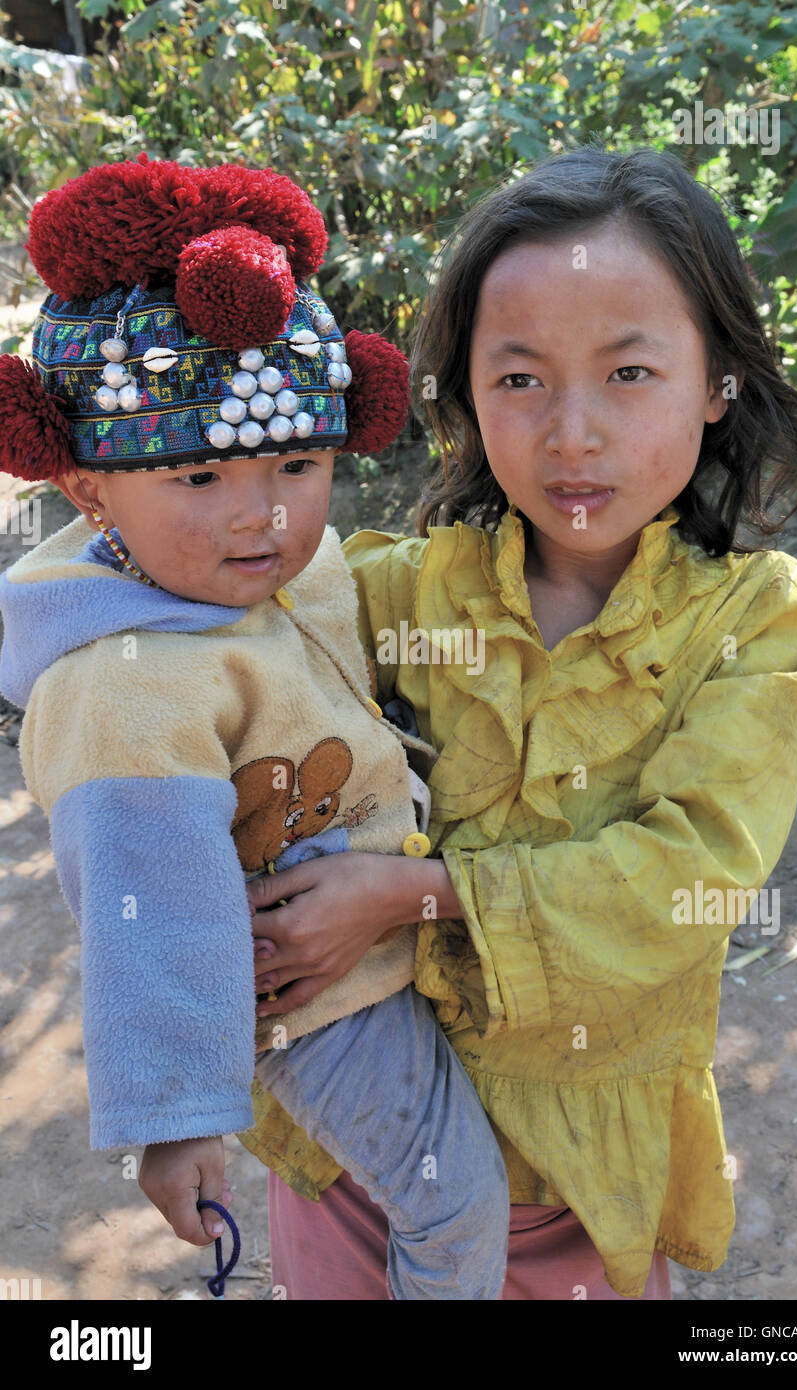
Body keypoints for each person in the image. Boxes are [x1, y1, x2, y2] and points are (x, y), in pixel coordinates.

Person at [246, 145, 797, 1300]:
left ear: (715, 381)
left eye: (628, 374)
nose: (572, 432)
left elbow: (690, 873)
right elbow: (220, 619)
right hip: (356, 1156)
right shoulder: (388, 593)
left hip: (582, 1181)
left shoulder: (763, 623)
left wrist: (413, 897)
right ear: (465, 394)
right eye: (518, 379)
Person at [0, 156, 511, 1301]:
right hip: (312, 1000)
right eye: (194, 475)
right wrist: (176, 1121)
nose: (261, 513)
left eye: (298, 461)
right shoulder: (120, 685)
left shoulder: (287, 561)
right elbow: (148, 908)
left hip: (374, 935)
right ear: (87, 488)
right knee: (453, 1196)